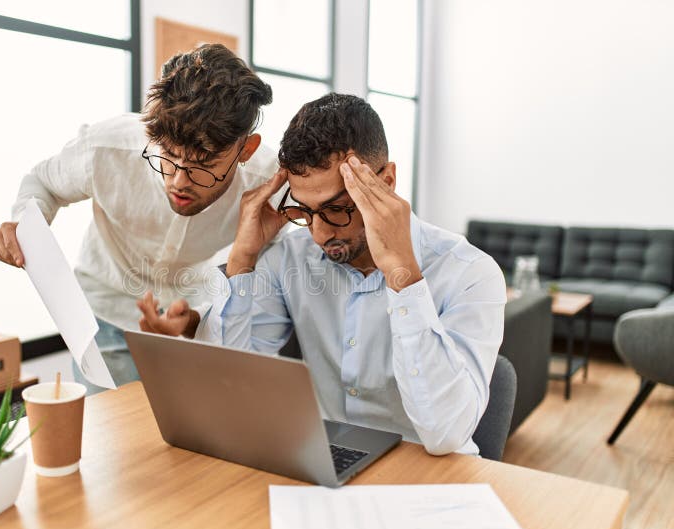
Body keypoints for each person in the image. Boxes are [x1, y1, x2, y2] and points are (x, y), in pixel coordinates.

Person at [139, 93, 506, 456]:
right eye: (305, 211)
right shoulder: (291, 258)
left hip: (431, 479)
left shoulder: (470, 272)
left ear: (387, 181)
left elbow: (445, 433)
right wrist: (243, 259)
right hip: (325, 464)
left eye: (337, 209)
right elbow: (234, 389)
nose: (319, 234)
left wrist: (403, 276)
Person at [0, 44, 279, 394]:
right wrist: (24, 223)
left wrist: (198, 318)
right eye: (169, 157)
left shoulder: (269, 183)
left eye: (203, 166)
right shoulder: (107, 147)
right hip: (105, 311)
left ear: (245, 150)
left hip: (191, 318)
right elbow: (42, 183)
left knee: (180, 440)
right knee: (110, 439)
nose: (179, 181)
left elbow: (267, 277)